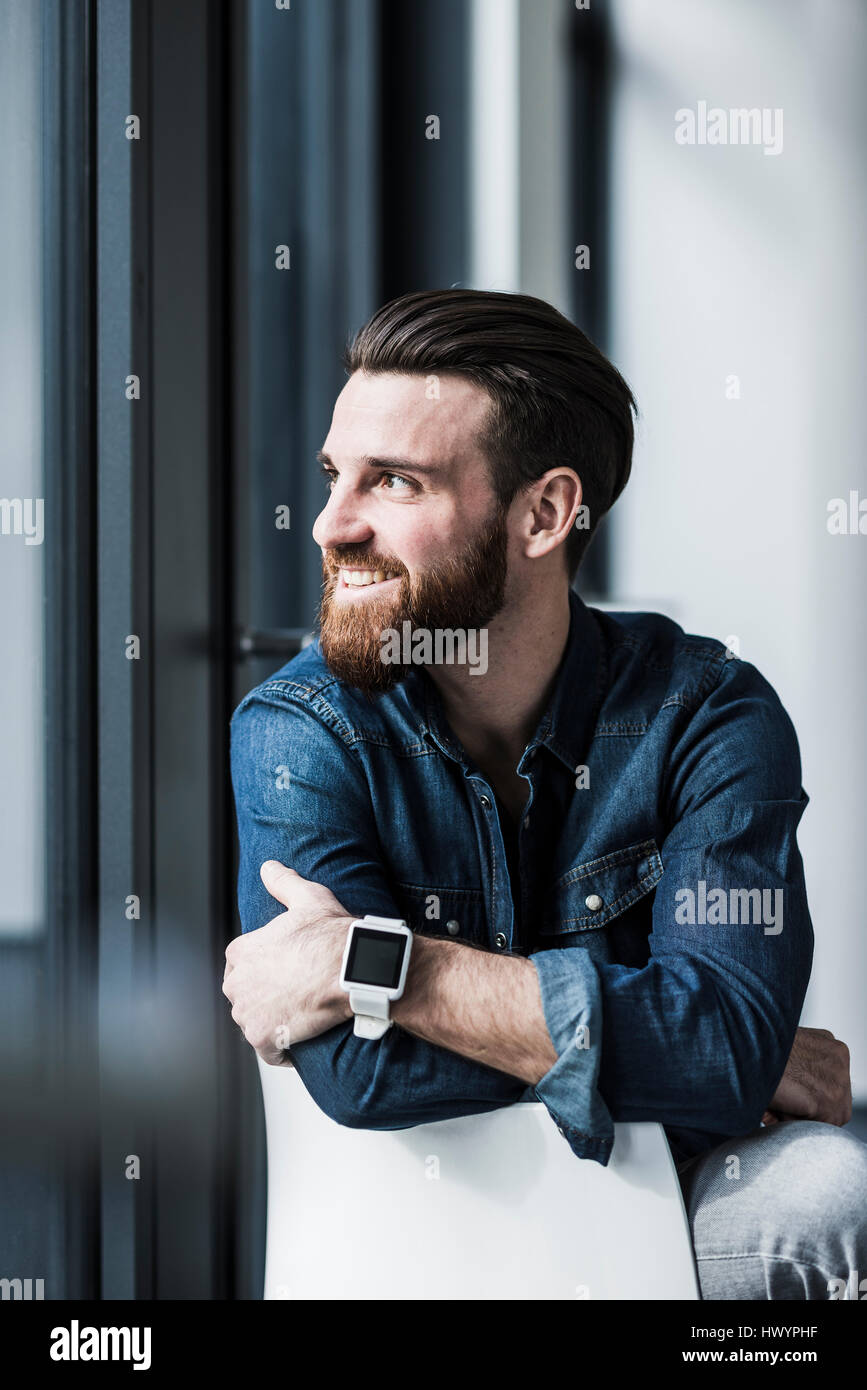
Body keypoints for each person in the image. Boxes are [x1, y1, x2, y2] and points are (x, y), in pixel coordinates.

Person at [223, 288, 865, 1300]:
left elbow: (725, 1045)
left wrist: (379, 965)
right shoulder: (300, 730)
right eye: (335, 476)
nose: (330, 525)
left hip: (670, 1209)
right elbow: (358, 1071)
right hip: (419, 1215)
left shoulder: (707, 713)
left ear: (544, 514)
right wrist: (696, 1058)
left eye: (393, 482)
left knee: (828, 1194)